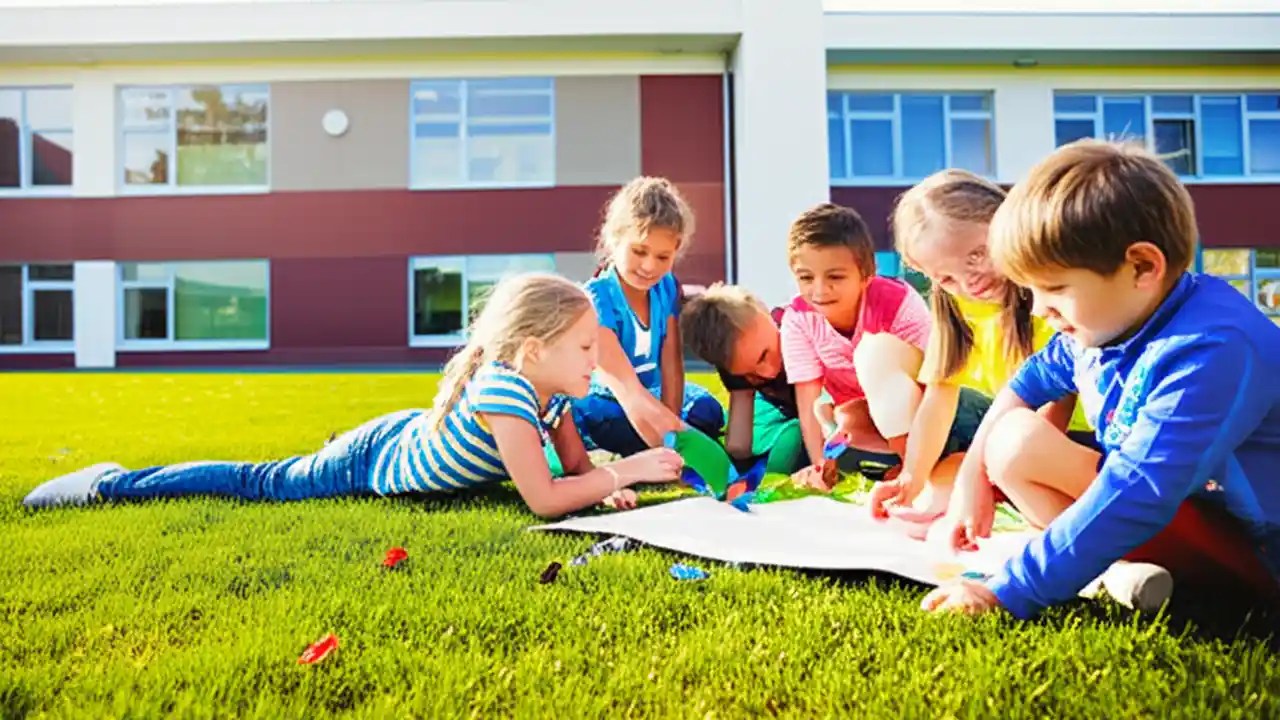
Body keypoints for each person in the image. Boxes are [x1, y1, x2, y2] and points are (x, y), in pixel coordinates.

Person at [923, 140, 1280, 618]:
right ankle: (1112, 571)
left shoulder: (1212, 349)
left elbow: (1139, 488)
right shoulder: (1113, 322)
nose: (1039, 309)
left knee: (1057, 461)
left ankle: (1096, 570)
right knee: (1011, 439)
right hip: (1185, 516)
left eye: (1054, 288)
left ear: (1142, 267)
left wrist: (1006, 591)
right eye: (1030, 289)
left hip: (1254, 549)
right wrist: (973, 476)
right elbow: (1026, 385)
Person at [23, 273, 685, 518]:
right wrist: (624, 471)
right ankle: (109, 486)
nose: (598, 360)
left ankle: (332, 444)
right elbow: (541, 499)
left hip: (404, 431)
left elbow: (572, 473)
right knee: (264, 483)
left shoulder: (551, 397)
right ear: (534, 350)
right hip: (372, 460)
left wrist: (602, 487)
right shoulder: (507, 391)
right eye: (586, 348)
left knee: (285, 472)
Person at [867, 169, 1090, 539]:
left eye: (977, 254)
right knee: (939, 485)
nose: (969, 281)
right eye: (947, 278)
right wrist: (911, 479)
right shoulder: (958, 308)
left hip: (1071, 443)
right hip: (1014, 440)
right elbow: (938, 401)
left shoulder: (1047, 298)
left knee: (1001, 454)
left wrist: (986, 482)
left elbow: (1052, 418)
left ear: (1008, 224)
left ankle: (1069, 537)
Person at [566, 176, 725, 462]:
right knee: (615, 424)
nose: (649, 266)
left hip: (651, 394)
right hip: (609, 400)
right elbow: (629, 392)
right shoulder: (597, 299)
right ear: (615, 240)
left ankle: (643, 446)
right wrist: (671, 449)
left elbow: (672, 363)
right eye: (639, 251)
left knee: (708, 411)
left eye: (663, 257)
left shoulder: (667, 287)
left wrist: (673, 420)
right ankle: (609, 450)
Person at [778, 203, 935, 488]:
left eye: (835, 277)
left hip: (919, 415)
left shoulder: (898, 302)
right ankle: (880, 464)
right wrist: (820, 464)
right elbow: (808, 397)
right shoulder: (798, 319)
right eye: (806, 277)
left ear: (866, 273)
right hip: (858, 424)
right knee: (835, 415)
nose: (819, 290)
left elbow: (931, 380)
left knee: (873, 354)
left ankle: (913, 469)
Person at [680, 284, 808, 474]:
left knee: (794, 438)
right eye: (750, 373)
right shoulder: (734, 364)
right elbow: (739, 445)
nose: (768, 373)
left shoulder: (800, 331)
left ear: (764, 313)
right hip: (789, 413)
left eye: (764, 355)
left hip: (825, 411)